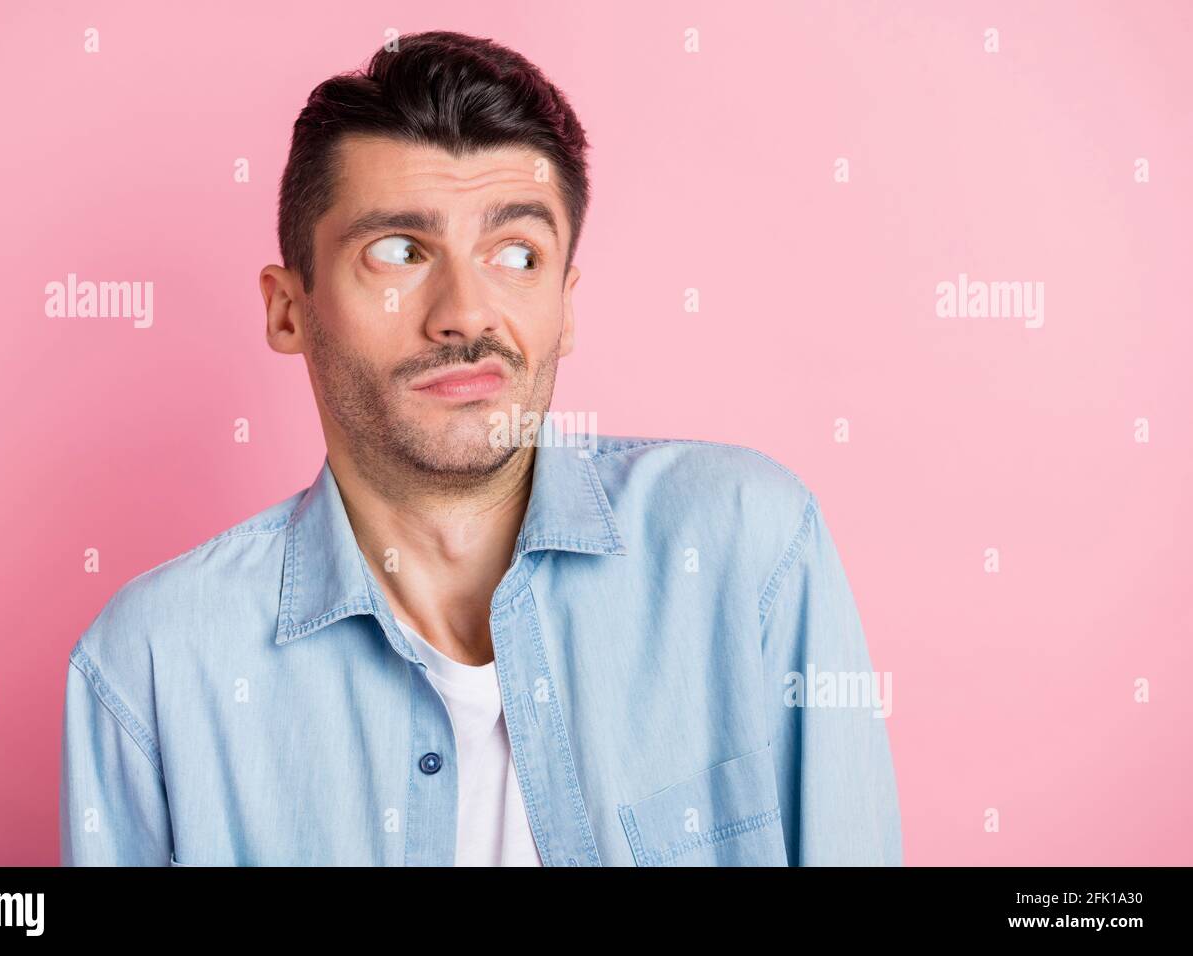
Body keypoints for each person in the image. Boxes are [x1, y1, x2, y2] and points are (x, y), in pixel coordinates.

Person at [60, 30, 902, 867]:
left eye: (516, 253)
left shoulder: (747, 549)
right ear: (288, 309)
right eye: (397, 251)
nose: (466, 311)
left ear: (566, 306)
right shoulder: (150, 668)